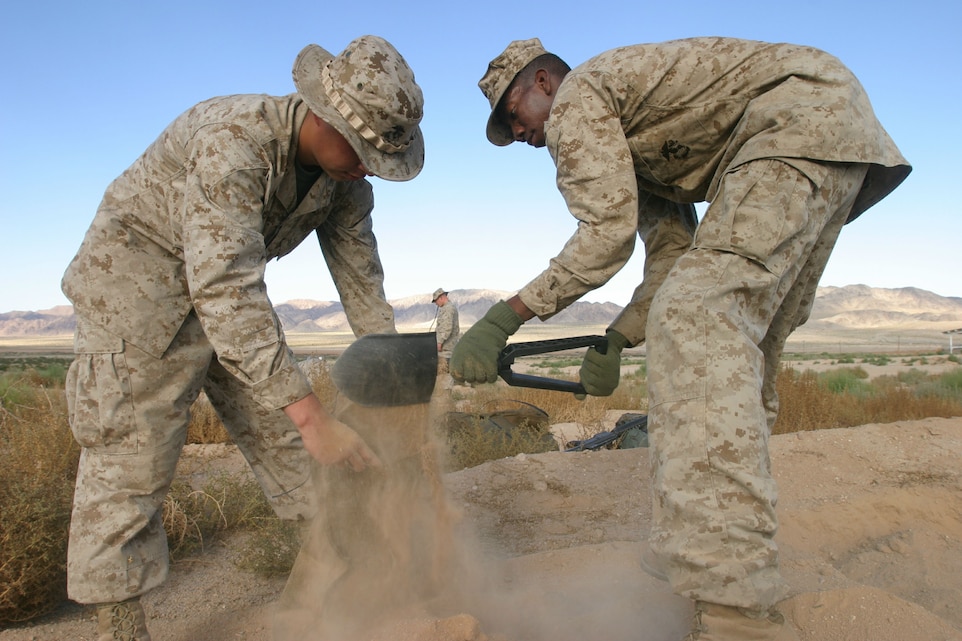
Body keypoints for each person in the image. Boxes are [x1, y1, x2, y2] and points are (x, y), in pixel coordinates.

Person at [453, 37, 910, 640]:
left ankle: (734, 608)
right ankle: (703, 553)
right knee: (734, 344)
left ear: (542, 84)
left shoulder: (578, 97)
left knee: (698, 318)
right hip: (829, 136)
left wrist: (504, 317)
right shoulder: (629, 140)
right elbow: (668, 255)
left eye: (513, 115)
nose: (518, 134)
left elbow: (605, 233)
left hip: (791, 126)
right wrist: (616, 339)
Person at [60, 35, 424, 641]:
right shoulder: (235, 141)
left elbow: (361, 277)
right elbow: (225, 285)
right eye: (361, 148)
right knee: (129, 466)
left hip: (228, 308)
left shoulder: (344, 181)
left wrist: (390, 371)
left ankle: (329, 593)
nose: (367, 164)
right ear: (324, 116)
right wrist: (313, 416)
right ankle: (118, 626)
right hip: (136, 303)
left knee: (299, 447)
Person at [431, 288, 460, 372]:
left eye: (436, 301)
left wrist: (439, 342)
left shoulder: (448, 309)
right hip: (446, 347)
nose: (436, 303)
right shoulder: (446, 308)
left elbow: (446, 327)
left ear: (441, 297)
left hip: (446, 348)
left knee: (444, 372)